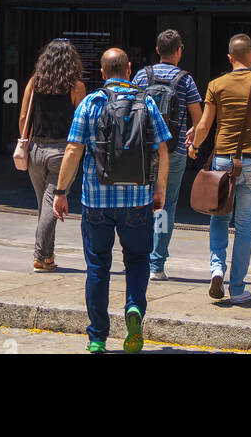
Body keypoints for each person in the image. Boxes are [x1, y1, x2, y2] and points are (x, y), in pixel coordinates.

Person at [52, 47, 170, 354]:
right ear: (129, 69)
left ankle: (97, 337)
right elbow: (162, 150)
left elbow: (73, 150)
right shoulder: (147, 102)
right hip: (137, 200)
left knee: (97, 266)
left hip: (96, 202)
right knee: (138, 258)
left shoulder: (90, 103)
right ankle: (134, 309)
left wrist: (61, 192)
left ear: (102, 73)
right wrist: (160, 190)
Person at [187, 32, 251, 304]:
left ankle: (217, 268)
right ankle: (238, 288)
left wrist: (195, 147)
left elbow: (205, 125)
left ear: (230, 58)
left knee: (218, 217)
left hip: (222, 162)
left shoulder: (216, 85)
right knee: (245, 226)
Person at [132, 28, 202, 280]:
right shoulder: (186, 80)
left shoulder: (141, 76)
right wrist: (192, 142)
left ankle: (136, 255)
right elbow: (199, 120)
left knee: (140, 203)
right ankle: (156, 265)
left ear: (158, 49)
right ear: (179, 50)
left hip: (143, 152)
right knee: (165, 206)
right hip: (174, 152)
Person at [18, 39, 86, 272]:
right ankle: (39, 256)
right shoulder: (76, 87)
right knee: (51, 204)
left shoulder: (34, 82)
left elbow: (22, 118)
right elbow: (81, 123)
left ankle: (48, 257)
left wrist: (25, 143)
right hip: (62, 152)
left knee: (45, 205)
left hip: (36, 150)